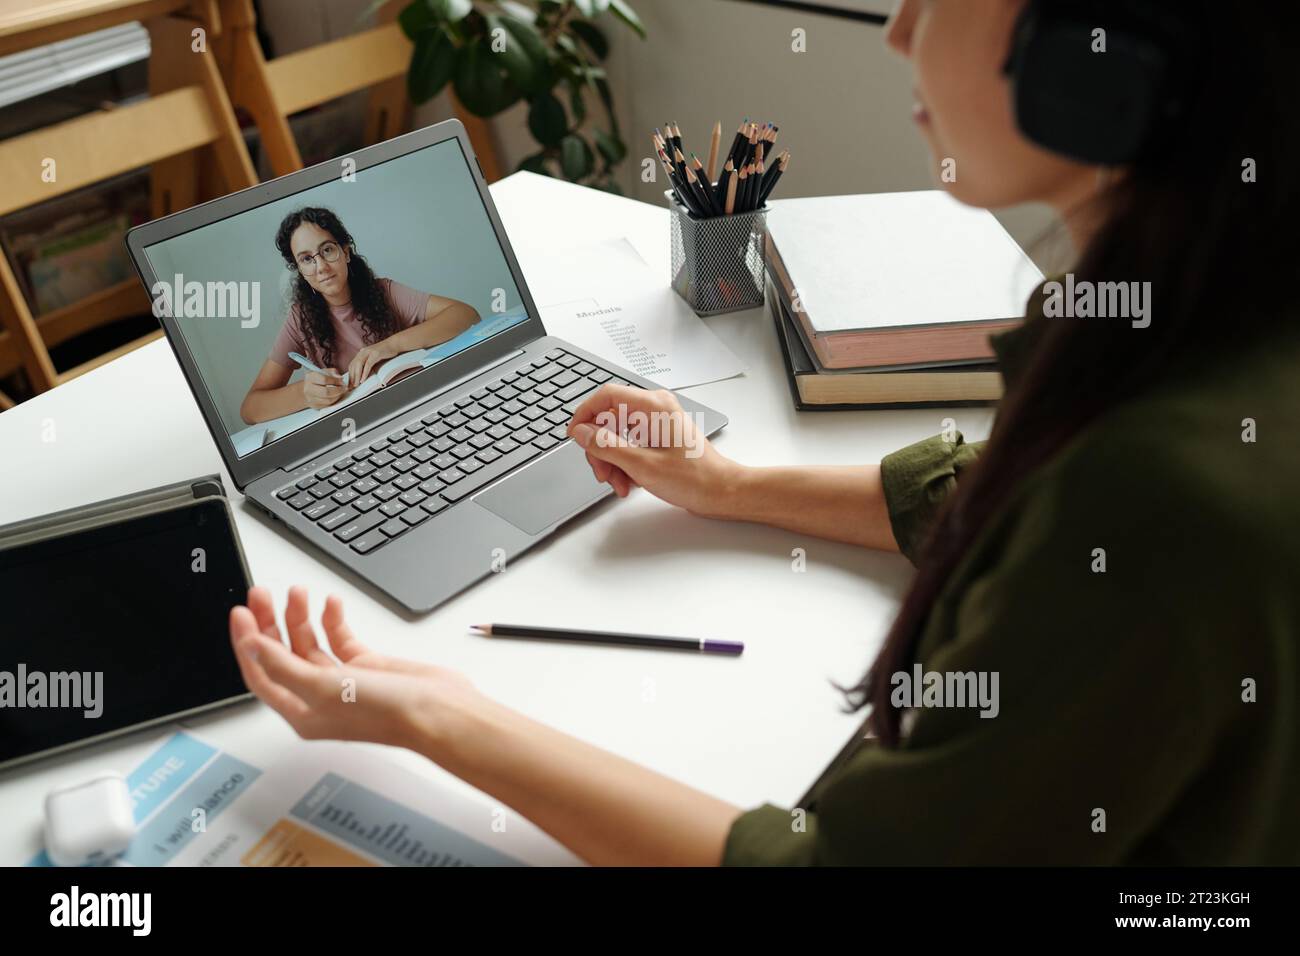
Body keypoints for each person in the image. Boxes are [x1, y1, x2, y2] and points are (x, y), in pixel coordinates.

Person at [227, 0, 1298, 864]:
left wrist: (440, 718)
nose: (896, 31)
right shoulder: (1205, 309)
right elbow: (981, 487)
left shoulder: (1157, 491)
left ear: (1096, 53)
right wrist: (724, 482)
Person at [239, 207, 481, 424]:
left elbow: (465, 315)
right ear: (300, 270)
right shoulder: (299, 319)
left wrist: (390, 346)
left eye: (327, 250)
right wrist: (306, 393)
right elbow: (251, 409)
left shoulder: (383, 291)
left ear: (345, 252)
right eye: (306, 259)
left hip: (414, 411)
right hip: (354, 429)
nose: (321, 266)